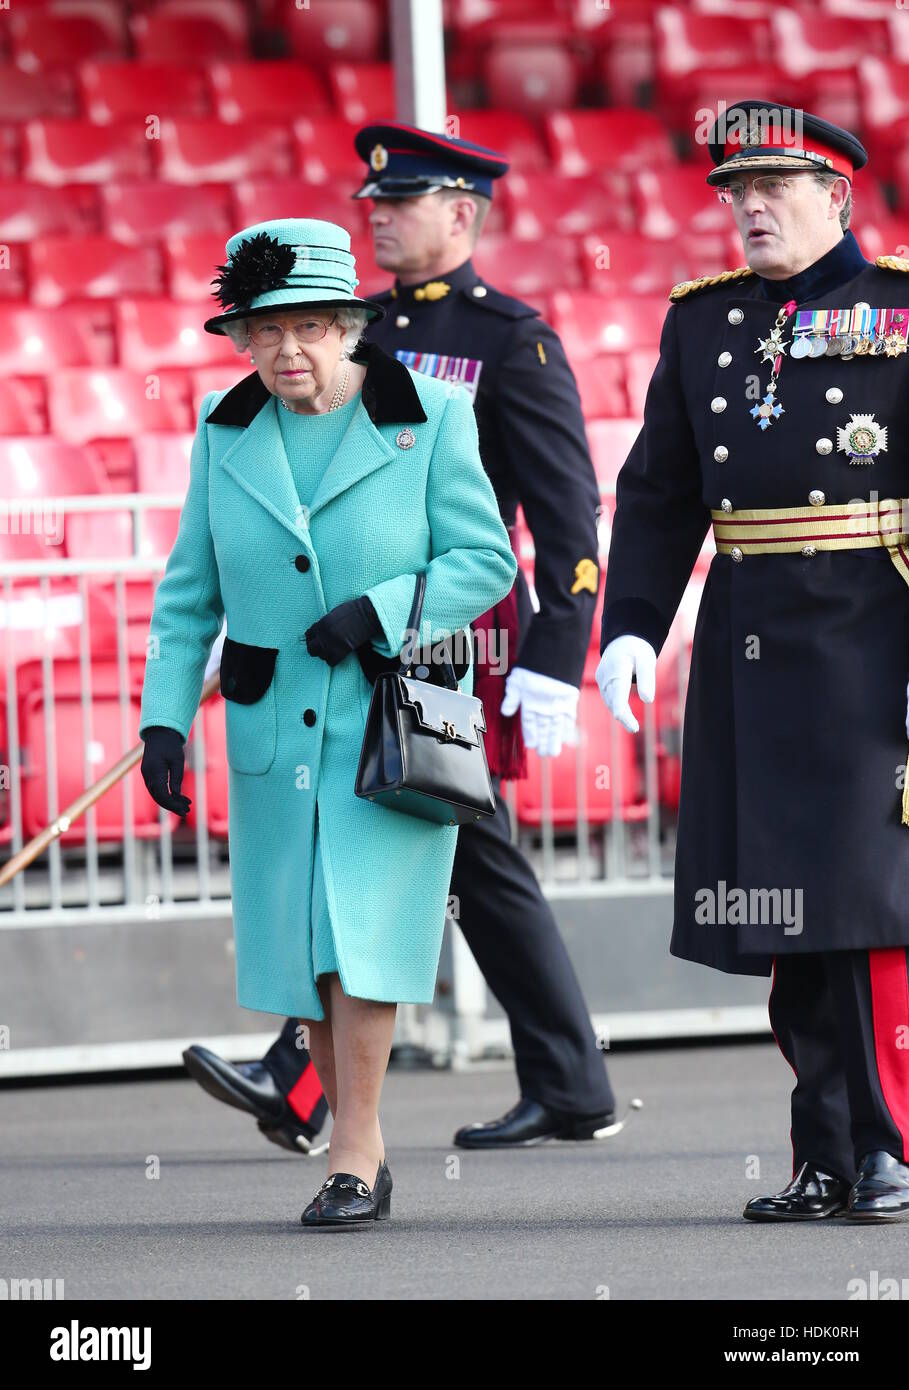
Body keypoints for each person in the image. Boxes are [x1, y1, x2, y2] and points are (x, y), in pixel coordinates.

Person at [183, 124, 620, 1153]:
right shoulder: (343, 325)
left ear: (461, 214)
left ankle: (325, 1082)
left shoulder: (514, 339)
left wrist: (560, 658)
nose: (375, 212)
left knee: (447, 846)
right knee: (417, 849)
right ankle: (542, 1079)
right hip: (325, 648)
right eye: (373, 202)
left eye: (402, 202)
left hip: (445, 643)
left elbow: (564, 516)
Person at [138, 217, 518, 1226]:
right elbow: (187, 597)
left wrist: (384, 610)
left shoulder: (430, 415)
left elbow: (487, 560)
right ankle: (355, 1139)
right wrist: (163, 722)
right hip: (270, 734)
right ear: (239, 342)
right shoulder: (223, 434)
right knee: (303, 945)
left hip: (384, 729)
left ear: (351, 325)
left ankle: (355, 1146)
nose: (288, 351)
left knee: (364, 940)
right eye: (265, 333)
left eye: (309, 327)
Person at [598, 100, 909, 1222]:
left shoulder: (902, 310)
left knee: (871, 912)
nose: (751, 207)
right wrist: (630, 622)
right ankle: (822, 1151)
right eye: (737, 190)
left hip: (876, 640)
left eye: (776, 186)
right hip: (749, 643)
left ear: (839, 194)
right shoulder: (704, 324)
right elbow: (659, 490)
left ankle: (893, 1146)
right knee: (786, 915)